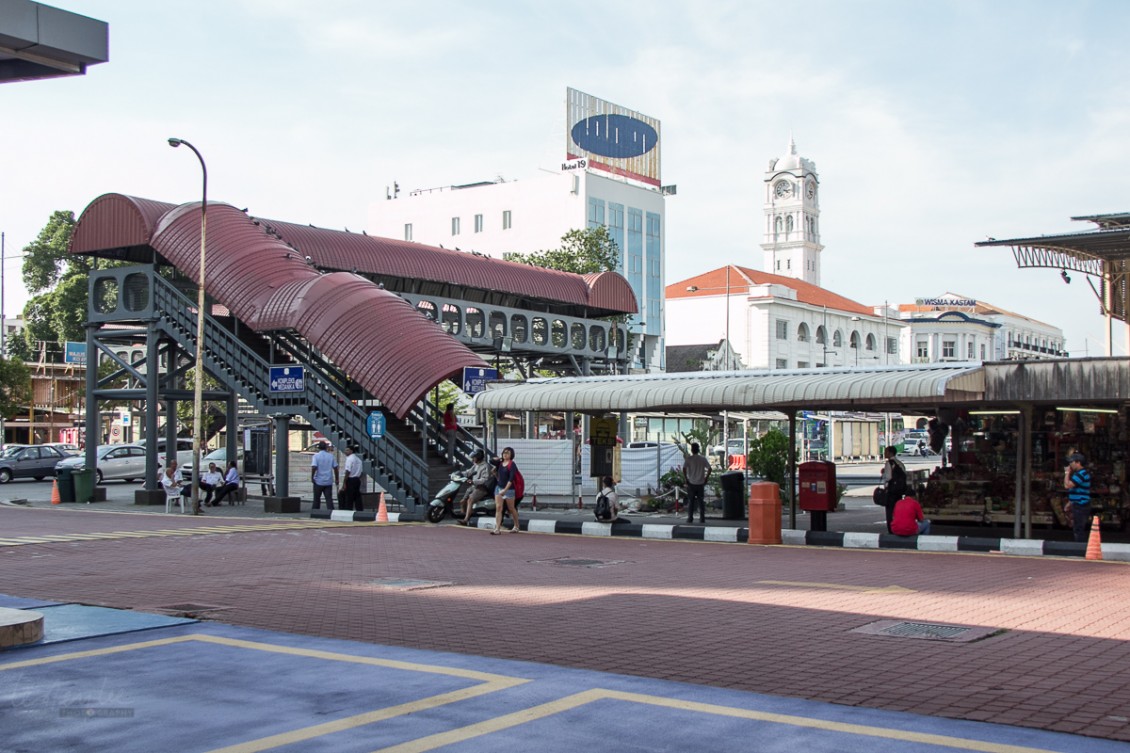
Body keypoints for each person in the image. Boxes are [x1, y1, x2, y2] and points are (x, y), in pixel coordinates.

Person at [458, 449, 494, 525]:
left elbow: (485, 479)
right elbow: (468, 472)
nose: (473, 459)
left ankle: (466, 520)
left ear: (479, 457)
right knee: (462, 501)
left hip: (482, 487)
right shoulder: (476, 465)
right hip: (474, 486)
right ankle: (466, 514)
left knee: (470, 500)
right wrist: (459, 473)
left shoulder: (486, 466)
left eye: (474, 457)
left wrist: (473, 481)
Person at [1064, 452, 1092, 543]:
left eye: (1072, 462)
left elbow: (1067, 485)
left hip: (1080, 505)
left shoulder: (1081, 474)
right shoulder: (1081, 473)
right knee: (1077, 527)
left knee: (1079, 528)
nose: (1070, 464)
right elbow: (1075, 490)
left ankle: (1080, 547)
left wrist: (1067, 473)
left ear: (1078, 462)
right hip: (1078, 504)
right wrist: (1070, 502)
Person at [491, 447, 520, 534]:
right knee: (498, 507)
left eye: (507, 453)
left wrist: (505, 490)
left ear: (511, 455)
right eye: (504, 452)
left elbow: (511, 479)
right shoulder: (500, 463)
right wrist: (498, 458)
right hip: (499, 487)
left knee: (511, 508)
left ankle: (516, 525)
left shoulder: (512, 464)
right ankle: (497, 528)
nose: (505, 454)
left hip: (509, 489)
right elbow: (491, 461)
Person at [879, 446, 908, 534]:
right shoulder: (900, 463)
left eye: (886, 452)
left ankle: (891, 530)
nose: (884, 453)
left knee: (890, 512)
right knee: (898, 511)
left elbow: (888, 477)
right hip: (899, 491)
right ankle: (899, 526)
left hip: (891, 492)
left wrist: (883, 473)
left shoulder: (889, 463)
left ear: (890, 453)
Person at [682, 442, 711, 525]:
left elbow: (684, 469)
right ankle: (702, 518)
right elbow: (710, 469)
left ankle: (690, 518)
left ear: (691, 450)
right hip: (701, 483)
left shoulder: (688, 459)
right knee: (701, 501)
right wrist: (706, 478)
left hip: (691, 483)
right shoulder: (703, 459)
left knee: (691, 501)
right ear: (698, 449)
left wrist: (686, 478)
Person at [310, 441, 339, 510]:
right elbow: (335, 468)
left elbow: (314, 467)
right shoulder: (331, 456)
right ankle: (331, 512)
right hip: (328, 481)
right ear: (326, 447)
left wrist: (312, 477)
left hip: (318, 481)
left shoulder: (316, 456)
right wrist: (337, 479)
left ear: (319, 447)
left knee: (316, 499)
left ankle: (315, 513)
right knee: (329, 499)